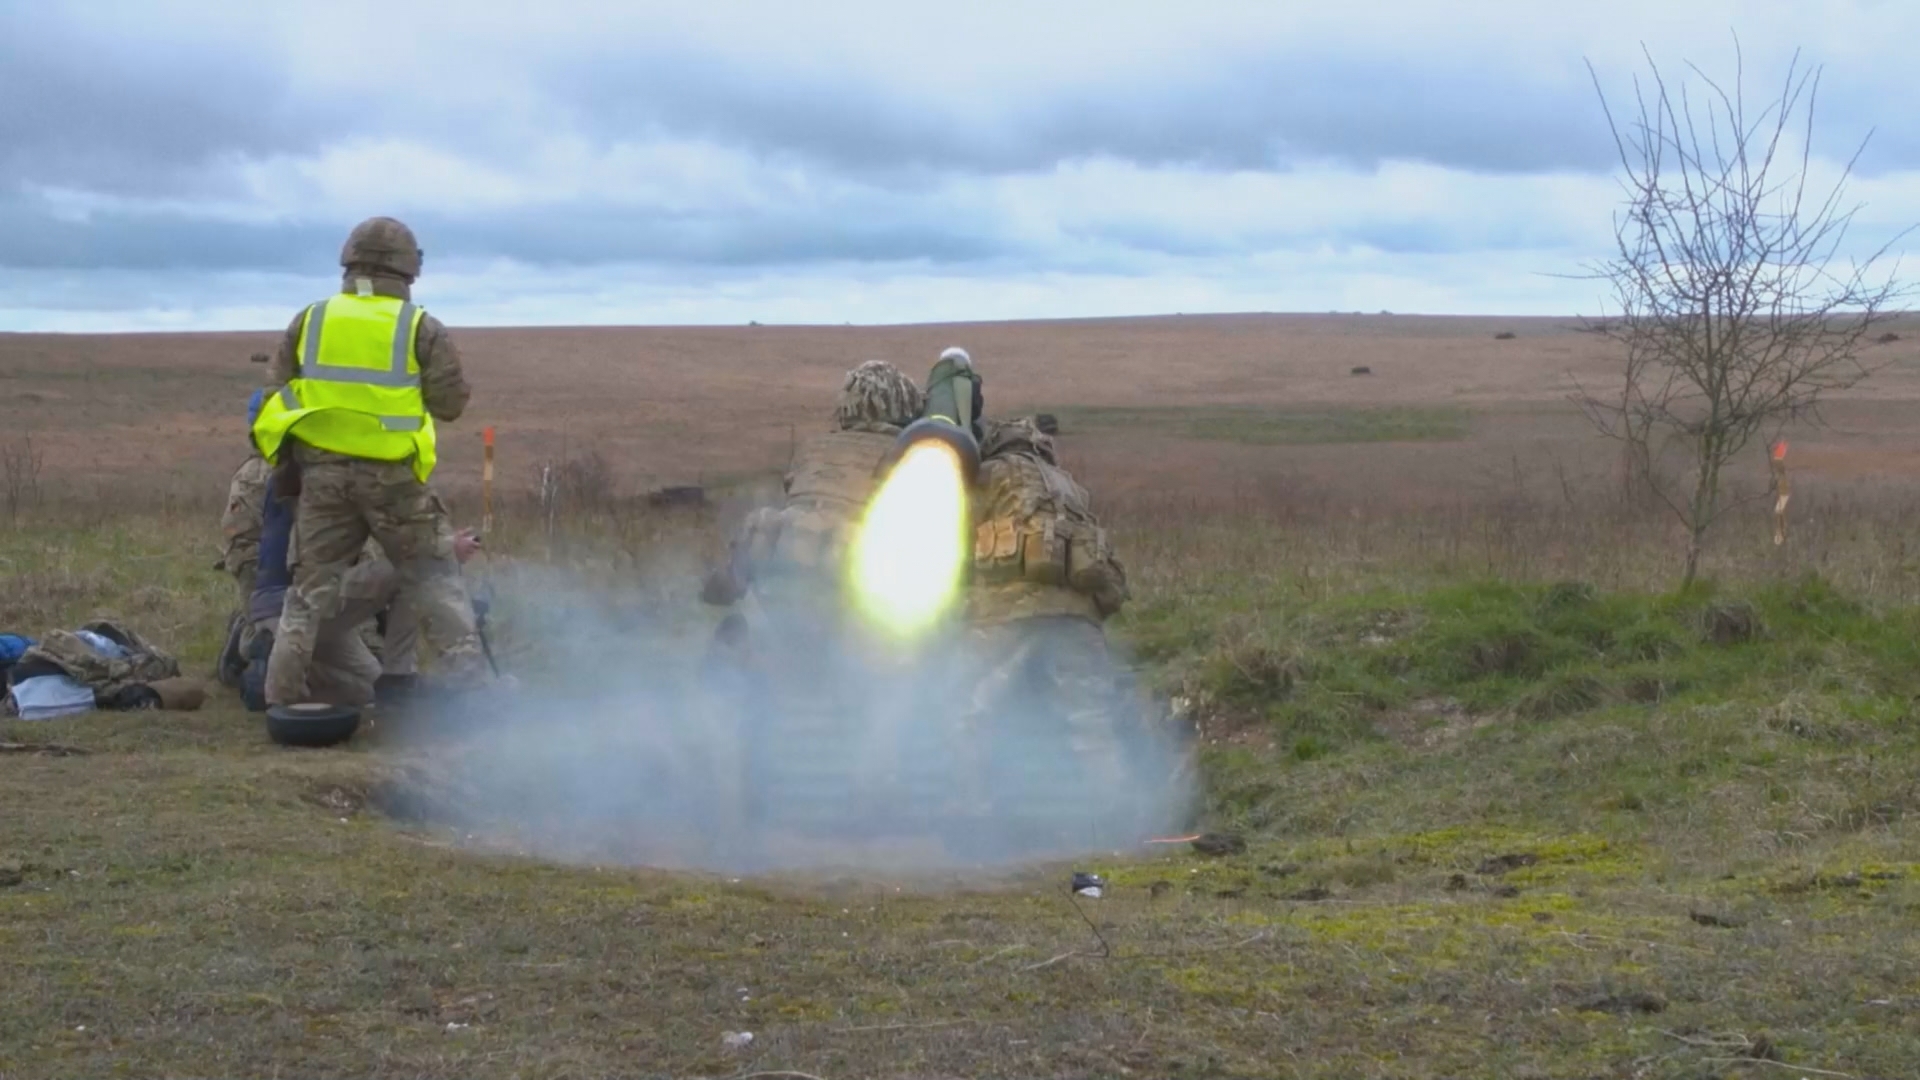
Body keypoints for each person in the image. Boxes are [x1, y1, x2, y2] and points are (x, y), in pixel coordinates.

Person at [249, 216, 490, 707]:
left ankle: (283, 699)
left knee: (307, 592)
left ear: (349, 263)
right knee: (436, 582)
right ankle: (478, 696)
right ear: (408, 269)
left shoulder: (310, 320)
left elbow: (275, 393)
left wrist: (305, 446)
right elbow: (450, 404)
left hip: (323, 477)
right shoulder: (420, 327)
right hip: (394, 481)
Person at [953, 414, 1168, 850]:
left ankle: (972, 817)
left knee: (969, 709)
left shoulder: (990, 475)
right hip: (1076, 615)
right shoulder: (1070, 486)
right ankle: (1117, 818)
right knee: (1090, 721)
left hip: (1007, 610)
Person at [238, 458, 481, 710]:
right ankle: (399, 679)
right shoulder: (337, 474)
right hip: (299, 604)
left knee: (367, 691)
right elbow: (406, 545)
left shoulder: (303, 468)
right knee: (411, 568)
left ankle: (268, 666)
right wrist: (445, 549)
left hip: (285, 610)